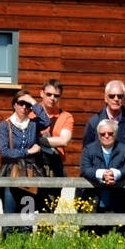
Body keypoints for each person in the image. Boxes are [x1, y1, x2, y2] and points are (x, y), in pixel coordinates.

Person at [0, 91, 45, 232]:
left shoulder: (33, 124)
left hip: (29, 173)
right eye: (21, 103)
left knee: (26, 220)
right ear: (14, 105)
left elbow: (46, 121)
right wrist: (28, 152)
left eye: (27, 104)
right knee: (9, 219)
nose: (24, 107)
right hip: (11, 173)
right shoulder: (5, 125)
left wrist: (33, 101)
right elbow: (5, 151)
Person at [79, 118, 125, 232]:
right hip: (93, 199)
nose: (106, 136)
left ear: (115, 134)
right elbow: (85, 168)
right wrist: (101, 174)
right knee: (90, 233)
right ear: (98, 135)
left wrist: (115, 173)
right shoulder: (89, 149)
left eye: (110, 133)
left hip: (118, 200)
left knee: (118, 234)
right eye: (102, 134)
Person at [31, 78, 74, 213]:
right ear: (41, 93)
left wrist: (36, 140)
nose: (52, 98)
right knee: (28, 204)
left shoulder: (66, 116)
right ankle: (25, 235)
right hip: (31, 164)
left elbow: (64, 141)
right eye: (49, 94)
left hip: (54, 167)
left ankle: (45, 235)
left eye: (56, 95)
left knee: (49, 207)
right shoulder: (29, 113)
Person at [81, 80, 125, 152]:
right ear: (105, 98)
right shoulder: (94, 123)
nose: (116, 99)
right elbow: (86, 152)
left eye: (120, 96)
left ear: (124, 99)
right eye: (112, 96)